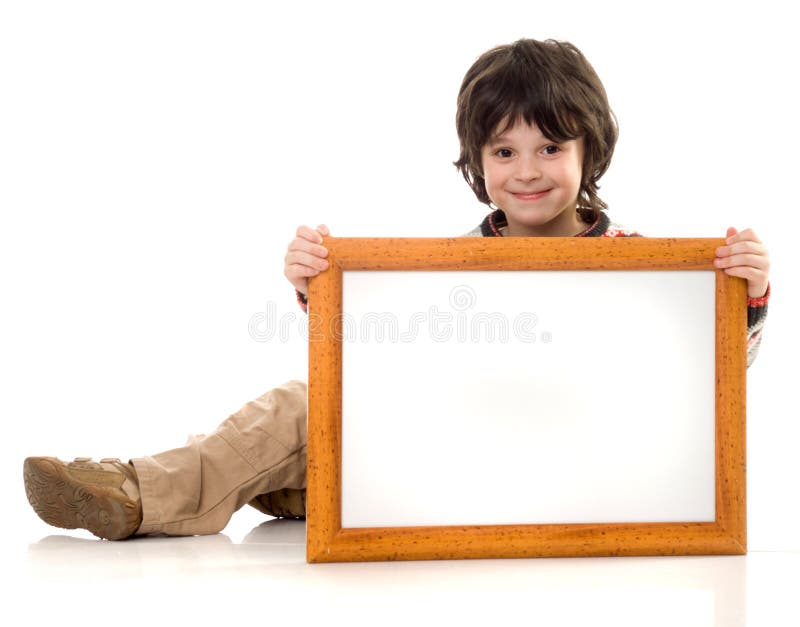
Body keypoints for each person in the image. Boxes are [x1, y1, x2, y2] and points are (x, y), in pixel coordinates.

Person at [23, 38, 770, 541]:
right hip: (449, 454)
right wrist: (321, 287)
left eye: (551, 146)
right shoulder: (452, 269)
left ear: (589, 149)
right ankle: (142, 492)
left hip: (574, 466)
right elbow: (392, 352)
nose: (529, 169)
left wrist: (748, 294)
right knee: (304, 400)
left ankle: (188, 489)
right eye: (504, 150)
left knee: (294, 423)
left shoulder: (637, 262)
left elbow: (702, 374)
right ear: (478, 161)